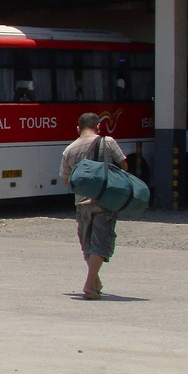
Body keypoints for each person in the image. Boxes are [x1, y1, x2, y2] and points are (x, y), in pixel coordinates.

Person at [59, 112, 128, 300]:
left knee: (87, 244)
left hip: (82, 203)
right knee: (100, 242)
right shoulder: (108, 142)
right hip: (105, 201)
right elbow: (124, 166)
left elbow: (66, 180)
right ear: (98, 126)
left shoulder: (70, 149)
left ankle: (95, 282)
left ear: (78, 128)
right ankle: (90, 285)